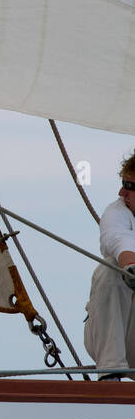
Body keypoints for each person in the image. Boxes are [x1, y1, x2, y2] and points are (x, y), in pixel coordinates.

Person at [83, 152, 135, 378]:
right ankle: (110, 373)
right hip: (124, 337)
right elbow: (118, 239)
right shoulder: (117, 211)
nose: (121, 192)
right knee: (111, 269)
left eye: (130, 186)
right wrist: (131, 267)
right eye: (123, 183)